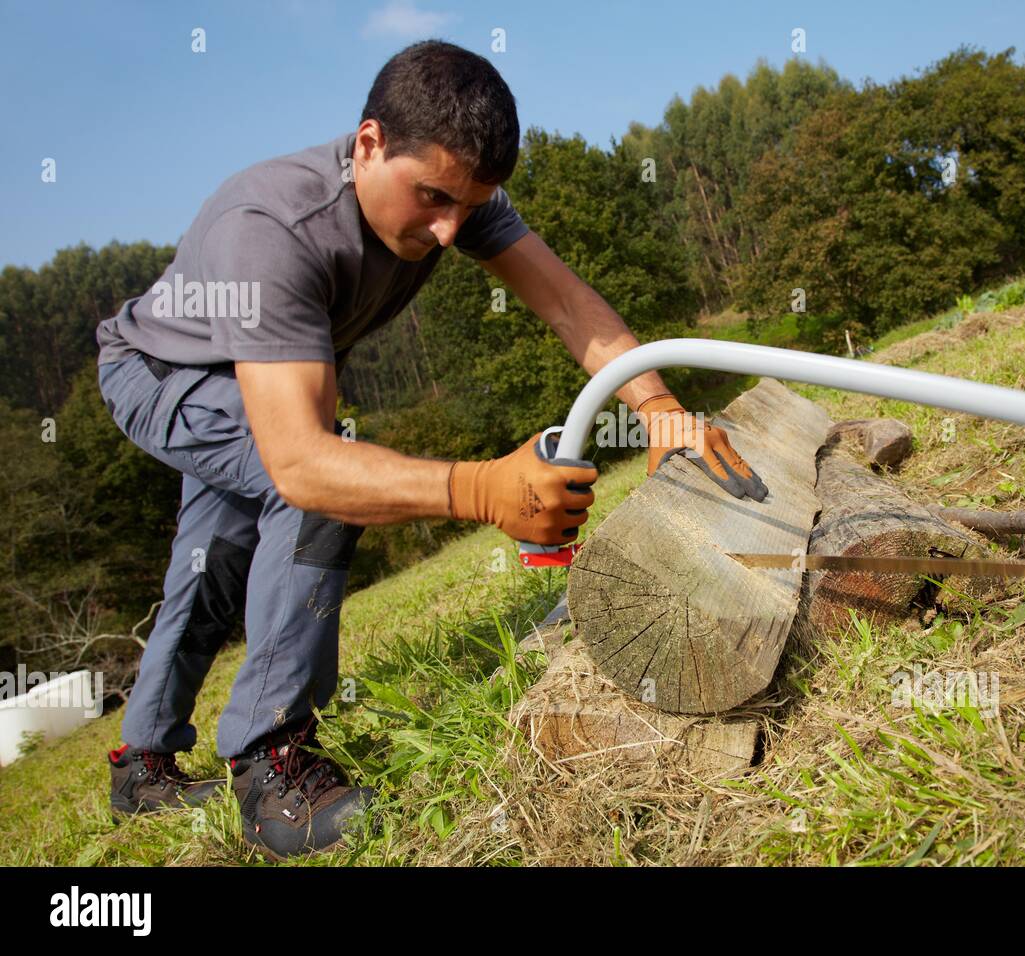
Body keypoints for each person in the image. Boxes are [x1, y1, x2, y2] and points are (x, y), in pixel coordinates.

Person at [97, 39, 766, 861]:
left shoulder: (459, 197)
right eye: (432, 198)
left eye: (470, 204)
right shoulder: (269, 229)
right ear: (369, 142)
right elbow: (303, 463)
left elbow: (562, 298)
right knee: (312, 490)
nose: (452, 230)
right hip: (163, 374)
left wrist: (658, 407)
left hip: (260, 372)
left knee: (213, 557)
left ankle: (142, 764)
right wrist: (483, 489)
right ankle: (271, 764)